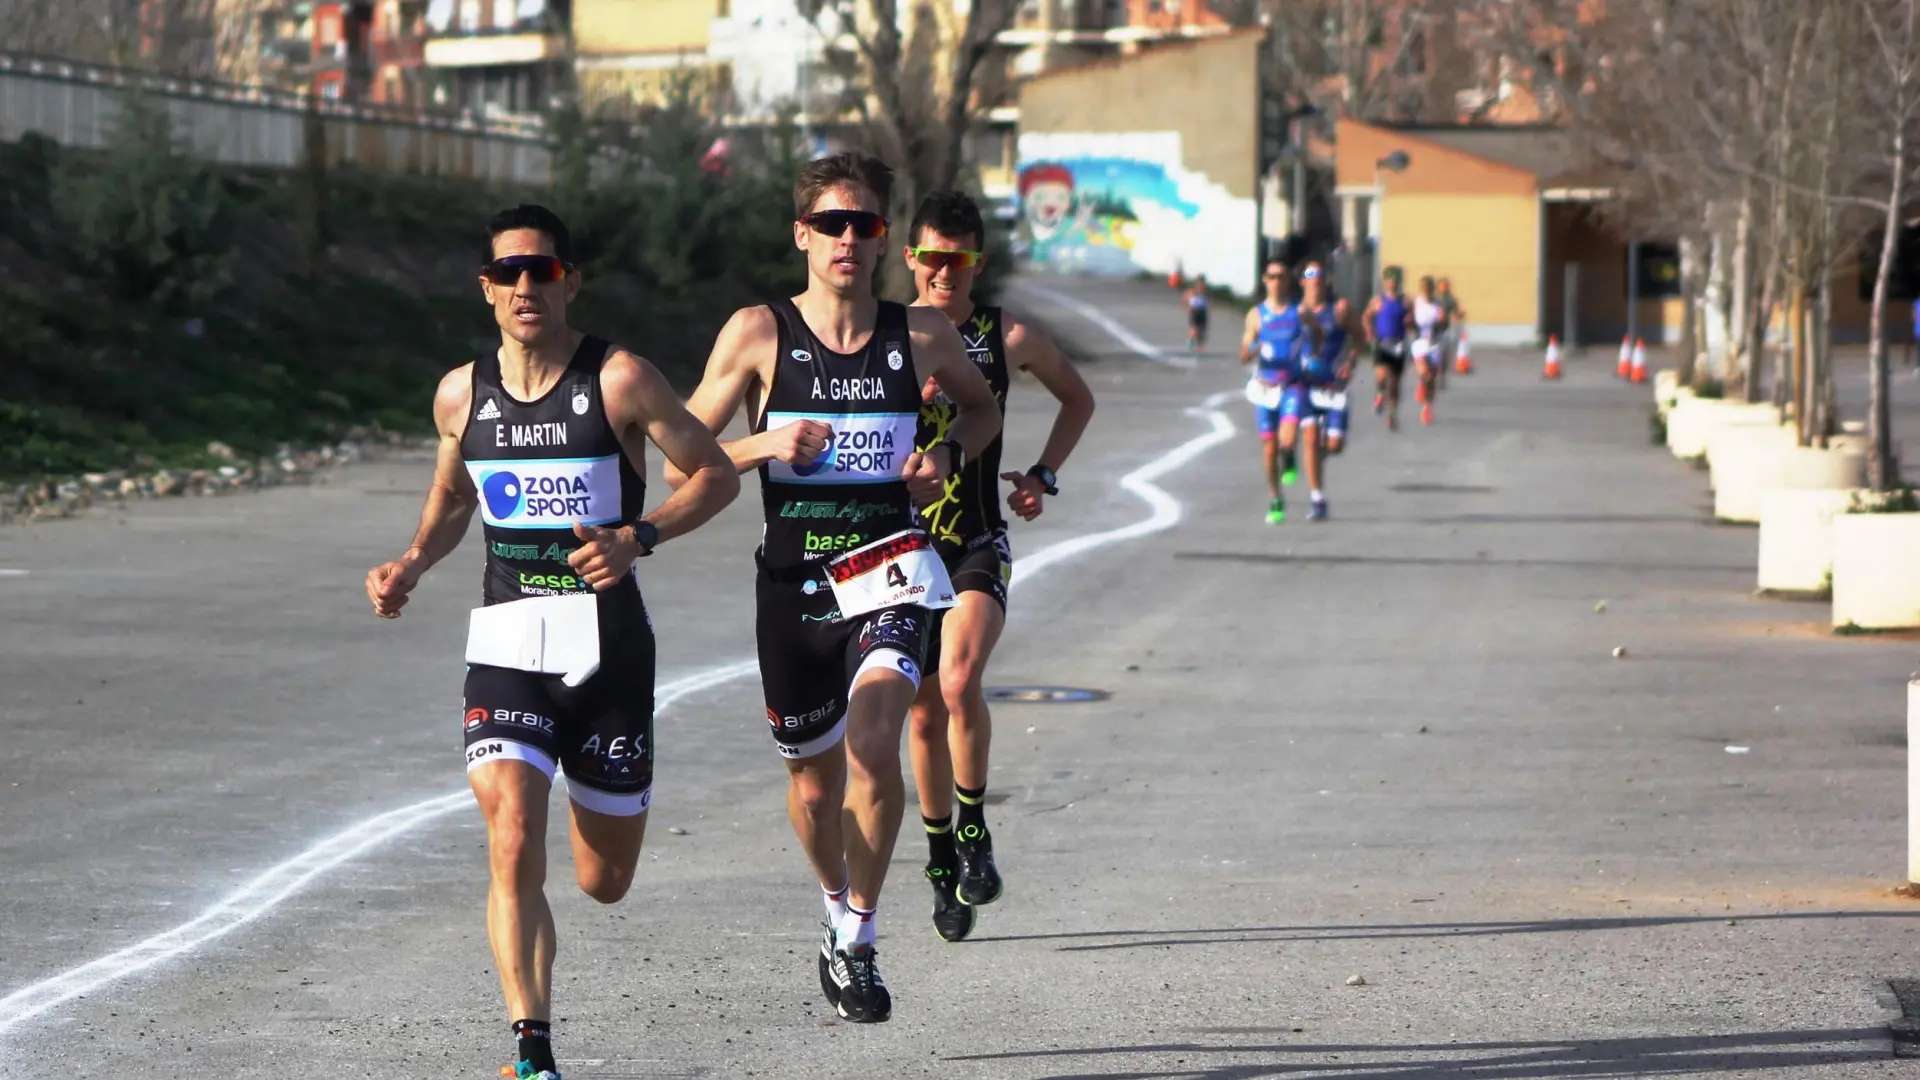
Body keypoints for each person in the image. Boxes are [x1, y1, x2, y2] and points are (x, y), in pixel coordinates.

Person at [364, 205, 740, 1080]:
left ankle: (600, 829)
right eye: (509, 274)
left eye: (543, 271)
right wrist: (413, 561)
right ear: (487, 288)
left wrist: (637, 537)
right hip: (508, 642)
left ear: (569, 280)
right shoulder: (461, 393)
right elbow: (457, 496)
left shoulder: (620, 381)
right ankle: (532, 1049)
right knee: (510, 829)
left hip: (607, 655)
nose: (526, 287)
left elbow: (714, 475)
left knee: (603, 882)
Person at [664, 151, 1001, 1023]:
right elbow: (683, 450)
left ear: (882, 238)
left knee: (877, 740)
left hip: (887, 560)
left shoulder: (920, 333)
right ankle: (832, 903)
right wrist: (762, 447)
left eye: (866, 225)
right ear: (802, 235)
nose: (850, 238)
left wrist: (946, 455)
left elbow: (982, 406)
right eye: (833, 224)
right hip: (792, 581)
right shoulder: (758, 333)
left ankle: (859, 934)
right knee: (814, 790)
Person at [900, 189, 1096, 942]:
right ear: (913, 260)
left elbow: (1077, 400)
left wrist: (1044, 474)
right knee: (920, 709)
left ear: (977, 262)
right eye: (934, 258)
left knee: (956, 681)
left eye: (962, 259)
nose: (946, 272)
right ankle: (941, 854)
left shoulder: (1006, 334)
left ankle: (974, 826)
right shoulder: (887, 337)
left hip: (978, 534)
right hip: (904, 551)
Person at [1239, 260, 1316, 524]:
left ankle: (1290, 454)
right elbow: (1243, 353)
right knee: (1270, 449)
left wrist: (1313, 349)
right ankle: (1275, 497)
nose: (1276, 281)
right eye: (1271, 276)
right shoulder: (1256, 314)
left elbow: (1318, 332)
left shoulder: (1300, 311)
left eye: (1281, 276)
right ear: (1265, 280)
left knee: (1287, 438)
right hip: (1265, 387)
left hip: (1292, 385)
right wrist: (1253, 350)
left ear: (1288, 280)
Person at [1296, 261, 1362, 521]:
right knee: (1310, 438)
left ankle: (1321, 452)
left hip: (1334, 386)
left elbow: (1360, 337)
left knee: (1334, 445)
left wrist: (1350, 361)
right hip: (1305, 385)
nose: (1316, 281)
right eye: (1310, 276)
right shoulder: (1296, 311)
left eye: (1320, 276)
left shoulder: (1340, 309)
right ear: (1303, 282)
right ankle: (1318, 499)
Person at [1363, 269, 1411, 431]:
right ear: (1385, 282)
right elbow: (1366, 316)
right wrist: (1369, 331)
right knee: (1382, 377)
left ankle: (1392, 413)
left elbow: (1412, 320)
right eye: (1389, 280)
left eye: (1395, 280)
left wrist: (1410, 322)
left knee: (1395, 383)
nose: (1392, 283)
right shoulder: (1379, 300)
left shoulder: (1405, 301)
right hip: (1382, 343)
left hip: (1398, 344)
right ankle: (1379, 395)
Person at [1410, 275, 1444, 425]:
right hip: (1420, 343)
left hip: (1435, 344)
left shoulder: (1438, 305)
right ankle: (1424, 403)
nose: (1426, 290)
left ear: (1433, 289)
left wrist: (1443, 321)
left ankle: (1428, 406)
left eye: (1429, 288)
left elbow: (1444, 325)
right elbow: (1409, 320)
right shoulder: (1416, 303)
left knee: (1432, 379)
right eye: (1424, 288)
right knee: (1425, 374)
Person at [1437, 276, 1467, 378]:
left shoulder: (1451, 299)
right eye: (1442, 286)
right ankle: (1438, 365)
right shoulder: (1435, 298)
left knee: (1446, 348)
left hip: (1447, 327)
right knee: (1438, 348)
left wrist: (1460, 314)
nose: (1444, 288)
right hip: (1436, 328)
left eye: (1446, 286)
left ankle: (1443, 366)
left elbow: (1456, 312)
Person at [1185, 274, 1211, 353]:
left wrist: (1208, 312)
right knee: (1195, 329)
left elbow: (1208, 304)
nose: (1201, 284)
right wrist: (1187, 308)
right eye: (1200, 282)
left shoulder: (1206, 293)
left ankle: (1200, 347)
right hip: (1194, 311)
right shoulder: (1193, 291)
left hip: (1203, 311)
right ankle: (1191, 340)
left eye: (1202, 283)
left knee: (1202, 331)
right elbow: (1185, 299)